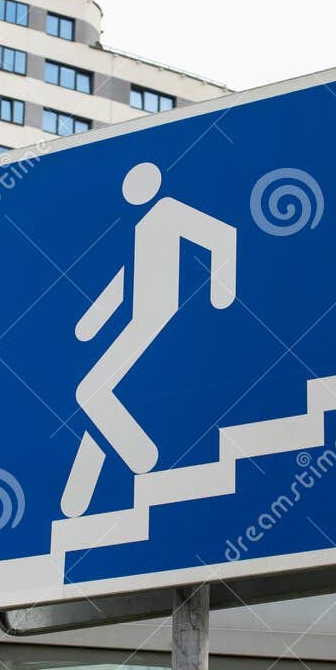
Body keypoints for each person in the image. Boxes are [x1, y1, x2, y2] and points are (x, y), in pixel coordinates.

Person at [59, 161, 237, 518]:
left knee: (92, 391)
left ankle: (141, 456)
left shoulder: (170, 212)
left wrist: (222, 292)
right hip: (137, 319)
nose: (131, 190)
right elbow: (124, 280)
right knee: (104, 395)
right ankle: (82, 492)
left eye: (136, 183)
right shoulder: (137, 227)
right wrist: (92, 322)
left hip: (157, 317)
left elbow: (221, 237)